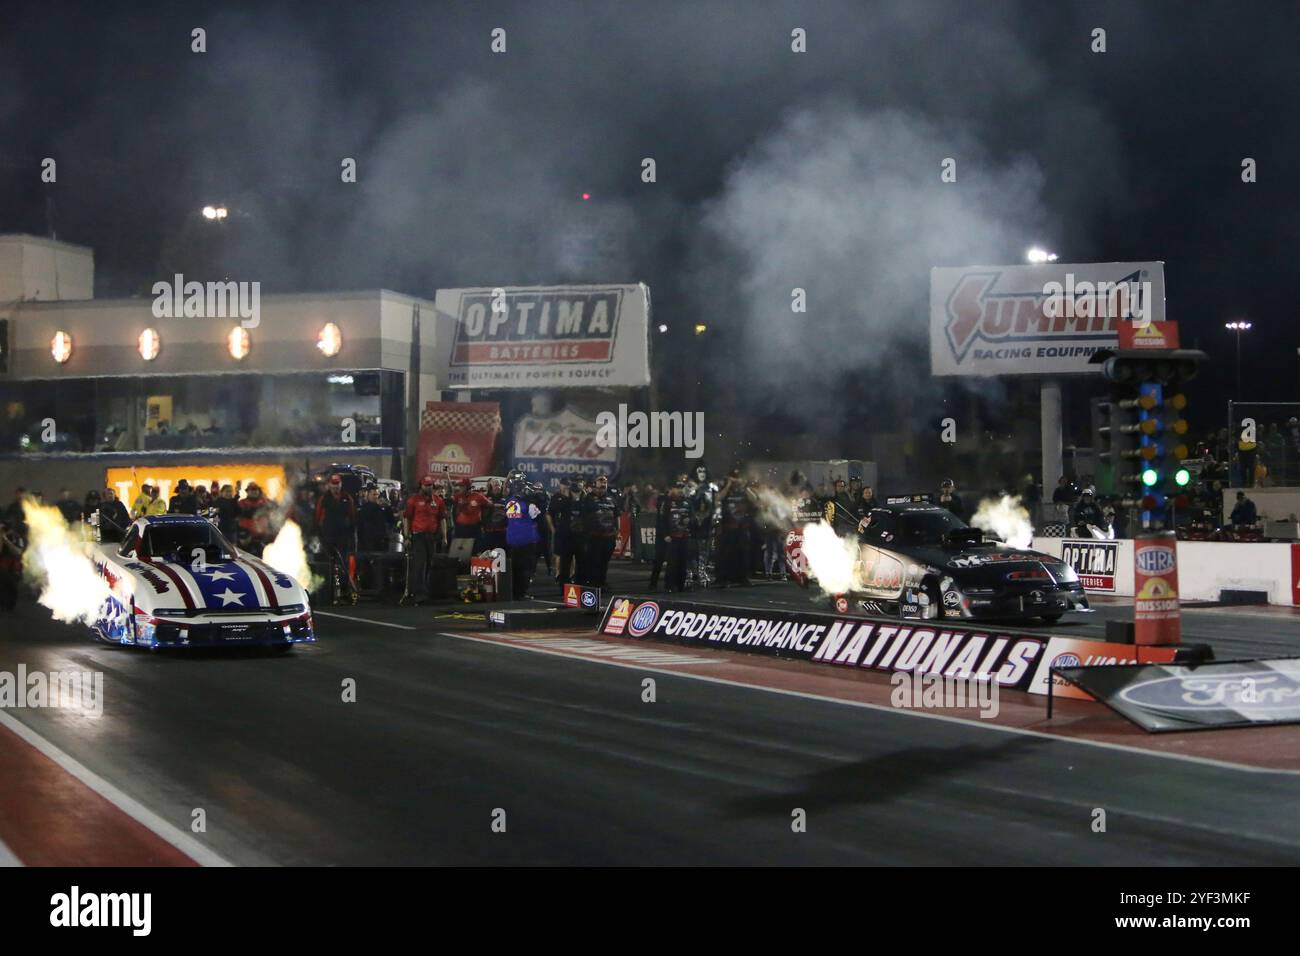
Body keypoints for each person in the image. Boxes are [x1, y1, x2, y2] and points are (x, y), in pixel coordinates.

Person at [401, 477, 448, 605]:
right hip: (418, 536)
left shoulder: (438, 501)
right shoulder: (413, 500)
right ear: (421, 485)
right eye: (426, 485)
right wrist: (406, 536)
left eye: (430, 485)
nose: (429, 487)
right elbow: (407, 518)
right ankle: (419, 593)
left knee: (430, 564)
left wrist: (444, 537)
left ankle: (426, 591)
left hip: (432, 536)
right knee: (420, 564)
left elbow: (443, 519)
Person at [316, 475, 359, 604]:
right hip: (328, 537)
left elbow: (353, 517)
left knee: (343, 564)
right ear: (329, 484)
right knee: (328, 565)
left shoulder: (347, 498)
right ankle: (329, 594)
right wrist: (320, 535)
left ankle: (345, 592)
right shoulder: (324, 499)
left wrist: (350, 532)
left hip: (343, 537)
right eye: (333, 484)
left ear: (340, 484)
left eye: (337, 483)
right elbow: (318, 518)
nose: (335, 486)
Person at [504, 471, 543, 600]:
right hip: (527, 539)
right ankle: (522, 593)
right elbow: (536, 516)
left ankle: (514, 592)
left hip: (512, 539)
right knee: (526, 568)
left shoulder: (509, 502)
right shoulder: (529, 504)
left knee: (514, 567)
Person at [579, 474, 620, 589]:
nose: (603, 483)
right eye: (600, 482)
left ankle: (602, 582)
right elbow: (583, 516)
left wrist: (618, 530)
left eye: (605, 482)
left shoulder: (612, 498)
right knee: (593, 561)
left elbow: (617, 515)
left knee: (604, 561)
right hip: (594, 536)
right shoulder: (588, 498)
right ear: (595, 484)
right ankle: (593, 583)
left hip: (609, 536)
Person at [716, 469, 754, 586]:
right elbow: (718, 498)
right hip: (728, 526)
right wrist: (728, 485)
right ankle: (723, 578)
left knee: (743, 553)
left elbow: (754, 499)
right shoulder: (726, 489)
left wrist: (745, 487)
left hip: (742, 527)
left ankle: (742, 578)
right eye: (734, 478)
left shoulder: (744, 490)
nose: (736, 480)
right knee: (726, 553)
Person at [663, 481, 695, 592]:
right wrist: (665, 534)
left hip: (685, 536)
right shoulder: (667, 502)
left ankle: (680, 585)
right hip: (672, 536)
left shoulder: (688, 502)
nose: (680, 490)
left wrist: (689, 521)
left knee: (683, 561)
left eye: (682, 488)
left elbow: (693, 517)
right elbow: (663, 519)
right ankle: (669, 585)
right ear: (673, 489)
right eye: (678, 488)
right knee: (672, 562)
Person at [550, 479, 579, 586]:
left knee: (573, 555)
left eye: (568, 485)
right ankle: (558, 574)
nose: (566, 487)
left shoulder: (573, 497)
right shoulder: (556, 497)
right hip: (560, 531)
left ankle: (572, 574)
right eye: (564, 485)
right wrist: (552, 528)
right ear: (560, 485)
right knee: (559, 554)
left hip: (573, 531)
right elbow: (549, 514)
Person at [452, 478, 491, 551]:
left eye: (462, 486)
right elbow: (449, 498)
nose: (459, 488)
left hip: (474, 529)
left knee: (473, 552)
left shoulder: (478, 496)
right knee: (458, 552)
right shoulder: (458, 496)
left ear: (468, 487)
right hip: (460, 529)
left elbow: (490, 504)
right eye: (459, 486)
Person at [648, 478, 673, 590]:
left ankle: (667, 583)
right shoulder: (664, 500)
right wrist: (665, 535)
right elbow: (661, 519)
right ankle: (653, 583)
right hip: (663, 535)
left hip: (670, 534)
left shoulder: (667, 500)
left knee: (668, 561)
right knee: (659, 560)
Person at [237, 482, 273, 555]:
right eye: (251, 490)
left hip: (260, 536)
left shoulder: (265, 502)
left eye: (256, 490)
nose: (254, 492)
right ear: (247, 491)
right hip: (245, 535)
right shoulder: (242, 502)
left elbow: (271, 516)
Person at [480, 479, 509, 553]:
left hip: (502, 531)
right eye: (495, 485)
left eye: (499, 485)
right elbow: (481, 513)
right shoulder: (485, 498)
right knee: (487, 553)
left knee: (502, 553)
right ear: (491, 487)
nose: (498, 487)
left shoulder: (506, 498)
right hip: (489, 531)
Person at [0, 520, 21, 612]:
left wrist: (5, 540)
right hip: (3, 567)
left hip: (12, 567)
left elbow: (18, 552)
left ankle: (8, 606)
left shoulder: (16, 537)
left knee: (12, 588)